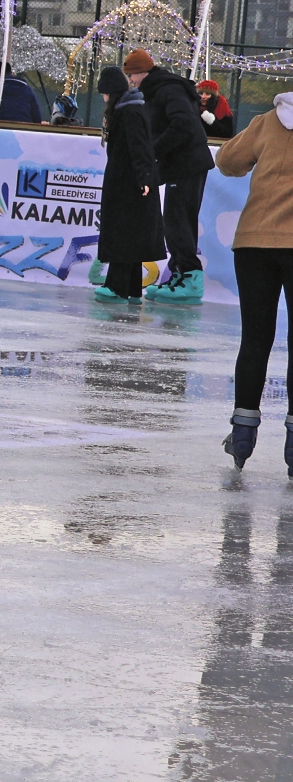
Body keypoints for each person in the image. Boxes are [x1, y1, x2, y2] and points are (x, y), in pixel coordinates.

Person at [214, 87, 293, 471]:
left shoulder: (267, 122)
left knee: (256, 338)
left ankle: (243, 434)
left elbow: (227, 160)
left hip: (255, 242)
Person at [127, 50, 214, 303]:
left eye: (132, 75)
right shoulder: (159, 90)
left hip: (187, 163)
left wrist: (154, 151)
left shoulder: (167, 90)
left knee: (178, 220)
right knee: (176, 220)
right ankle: (180, 274)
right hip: (182, 164)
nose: (131, 81)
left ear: (143, 72)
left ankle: (189, 277)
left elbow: (184, 125)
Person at [90, 64, 162, 304]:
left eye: (105, 93)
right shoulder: (127, 109)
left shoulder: (129, 112)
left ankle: (117, 286)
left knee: (123, 232)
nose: (103, 97)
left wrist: (144, 178)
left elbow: (140, 147)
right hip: (128, 180)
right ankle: (131, 287)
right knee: (130, 233)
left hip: (129, 183)